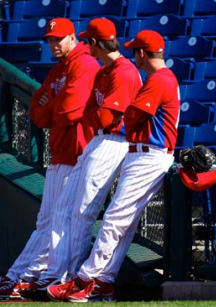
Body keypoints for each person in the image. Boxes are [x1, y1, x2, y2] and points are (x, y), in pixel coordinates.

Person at [47, 29, 179, 302]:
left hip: (149, 154)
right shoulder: (161, 77)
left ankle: (86, 279)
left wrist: (124, 116)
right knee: (123, 224)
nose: (134, 56)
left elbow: (130, 117)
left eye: (135, 51)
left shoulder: (160, 79)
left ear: (142, 53)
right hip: (143, 153)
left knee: (114, 220)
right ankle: (103, 282)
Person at [22, 17, 143, 296]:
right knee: (65, 210)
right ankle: (58, 275)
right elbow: (87, 115)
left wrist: (56, 107)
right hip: (98, 140)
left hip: (115, 141)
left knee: (82, 212)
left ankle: (76, 278)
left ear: (96, 43)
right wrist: (63, 109)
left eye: (90, 41)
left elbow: (101, 116)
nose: (88, 46)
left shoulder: (122, 71)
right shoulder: (103, 72)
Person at [0, 18, 100, 299]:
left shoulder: (85, 64)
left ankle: (39, 276)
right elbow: (37, 113)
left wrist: (53, 106)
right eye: (50, 40)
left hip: (79, 152)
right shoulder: (59, 70)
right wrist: (56, 106)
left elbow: (69, 111)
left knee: (62, 219)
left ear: (72, 38)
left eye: (58, 39)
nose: (53, 44)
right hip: (59, 151)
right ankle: (22, 275)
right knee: (47, 220)